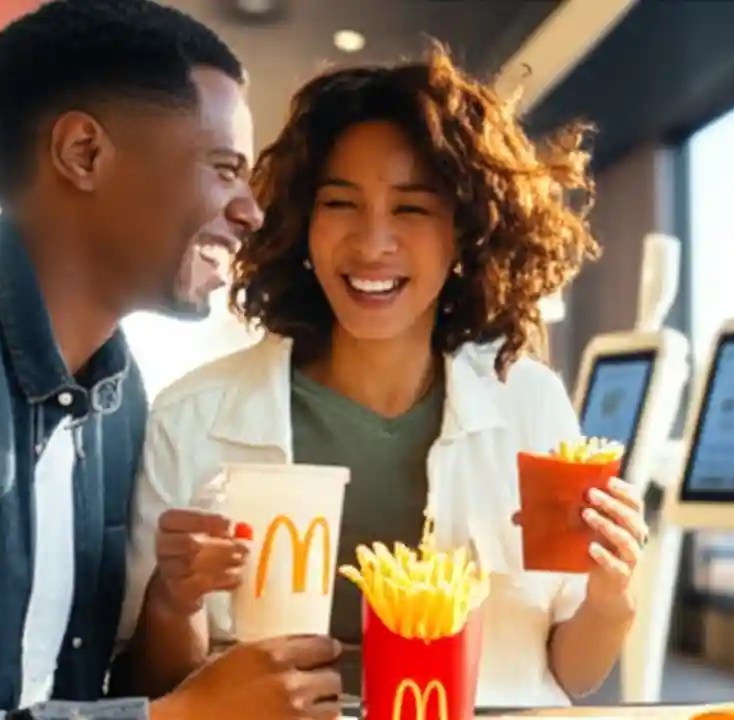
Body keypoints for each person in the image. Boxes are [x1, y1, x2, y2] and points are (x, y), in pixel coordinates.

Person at [121, 46, 651, 706]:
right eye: (341, 204)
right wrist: (175, 604)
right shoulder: (192, 417)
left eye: (411, 209)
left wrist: (612, 592)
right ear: (303, 224)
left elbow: (571, 674)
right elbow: (152, 692)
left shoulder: (530, 405)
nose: (372, 244)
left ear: (465, 232)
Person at [0, 1, 342, 718]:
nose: (251, 212)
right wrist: (178, 717)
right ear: (84, 153)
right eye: (224, 168)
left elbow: (73, 689)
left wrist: (173, 604)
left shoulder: (114, 390)